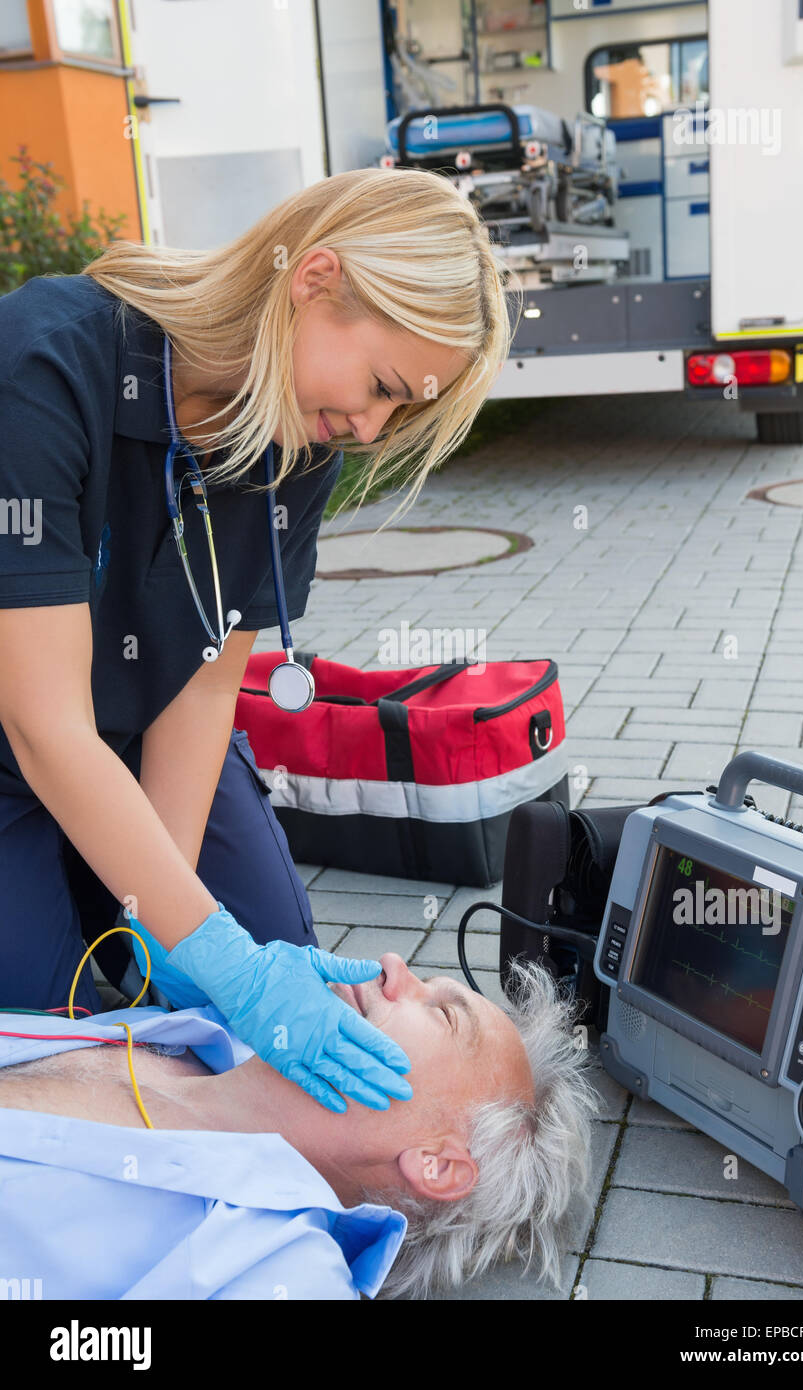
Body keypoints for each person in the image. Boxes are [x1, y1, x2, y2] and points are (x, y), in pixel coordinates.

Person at [0, 166, 514, 1112]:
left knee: (254, 955)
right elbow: (44, 728)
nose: (370, 426)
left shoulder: (302, 440)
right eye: (382, 387)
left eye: (400, 414)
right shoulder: (43, 366)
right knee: (32, 1033)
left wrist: (161, 934)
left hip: (134, 724)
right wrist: (217, 956)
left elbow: (200, 688)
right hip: (21, 741)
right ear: (313, 279)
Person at [0, 954, 598, 1300]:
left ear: (437, 1163)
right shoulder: (203, 1036)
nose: (394, 966)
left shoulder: (277, 1266)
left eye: (440, 1012)